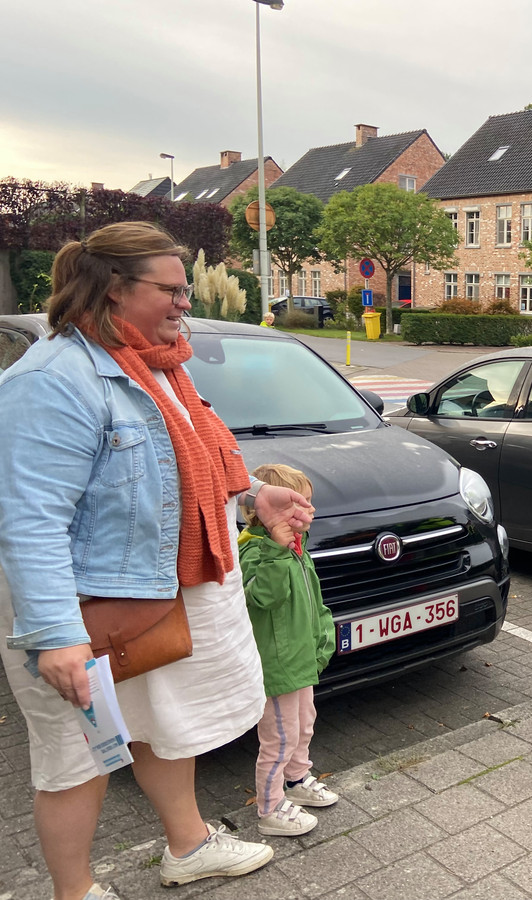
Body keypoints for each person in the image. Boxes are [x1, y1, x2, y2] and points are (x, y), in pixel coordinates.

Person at [0, 222, 315, 900]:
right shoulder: (53, 380)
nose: (185, 304)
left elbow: (184, 470)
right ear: (114, 288)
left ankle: (189, 845)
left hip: (157, 594)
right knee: (76, 756)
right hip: (92, 611)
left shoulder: (159, 360)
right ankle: (74, 892)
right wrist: (57, 635)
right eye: (170, 290)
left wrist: (257, 495)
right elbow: (29, 520)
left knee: (161, 727)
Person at [238, 464, 338, 838]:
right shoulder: (255, 552)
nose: (309, 512)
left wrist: (322, 635)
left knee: (303, 725)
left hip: (300, 659)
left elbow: (313, 598)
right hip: (278, 667)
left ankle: (296, 780)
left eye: (310, 503)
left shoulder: (297, 547)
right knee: (278, 738)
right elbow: (264, 597)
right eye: (301, 504)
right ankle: (270, 807)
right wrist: (277, 553)